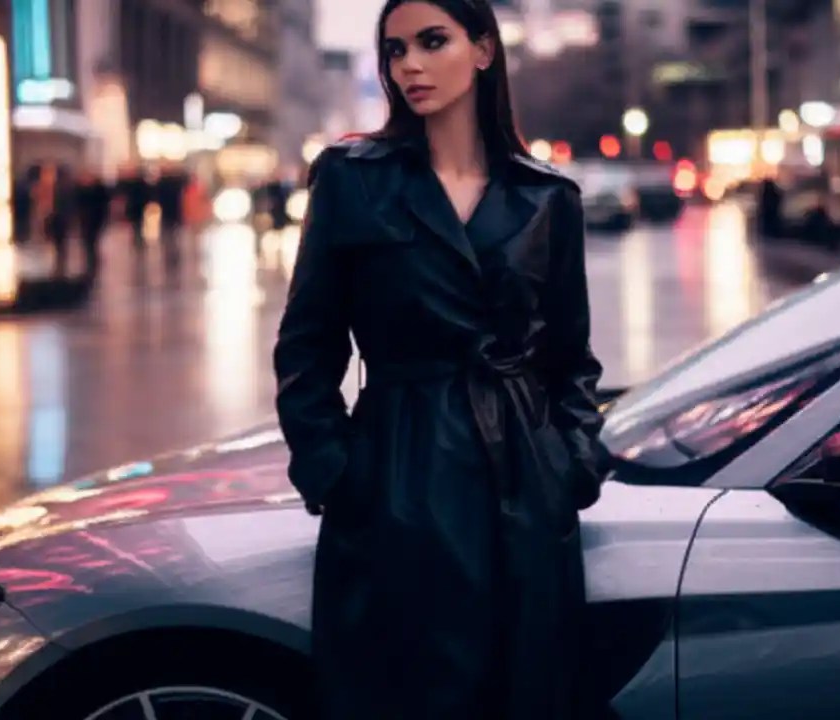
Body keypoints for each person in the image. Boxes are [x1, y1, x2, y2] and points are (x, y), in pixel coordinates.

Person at [272, 1, 607, 718]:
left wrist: (572, 463)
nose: (410, 66)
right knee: (401, 689)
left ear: (483, 48)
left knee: (522, 688)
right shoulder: (352, 179)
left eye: (432, 42)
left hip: (522, 478)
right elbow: (308, 348)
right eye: (395, 50)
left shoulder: (547, 198)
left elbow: (571, 357)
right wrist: (335, 472)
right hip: (397, 467)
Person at [74, 168, 111, 280]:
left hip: (95, 220)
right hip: (85, 220)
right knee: (87, 243)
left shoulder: (98, 189)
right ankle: (89, 262)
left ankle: (93, 263)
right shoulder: (80, 189)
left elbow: (103, 206)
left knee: (92, 242)